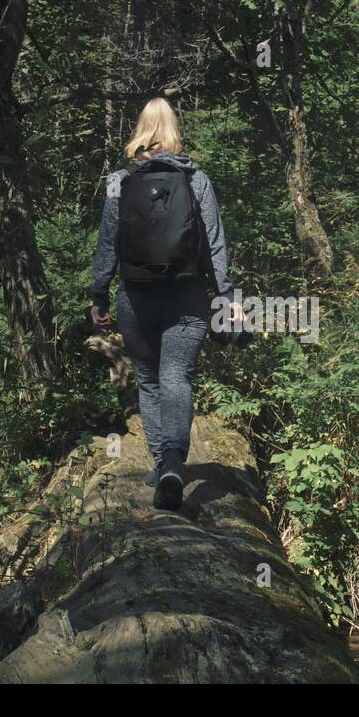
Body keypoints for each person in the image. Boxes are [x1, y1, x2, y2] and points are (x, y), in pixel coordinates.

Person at [89, 97, 243, 511]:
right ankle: (174, 465)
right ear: (175, 131)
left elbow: (108, 243)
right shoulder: (197, 179)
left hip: (136, 296)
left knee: (150, 379)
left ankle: (162, 466)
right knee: (178, 375)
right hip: (187, 295)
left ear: (140, 131)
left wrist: (99, 294)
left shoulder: (119, 181)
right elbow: (214, 242)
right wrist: (226, 296)